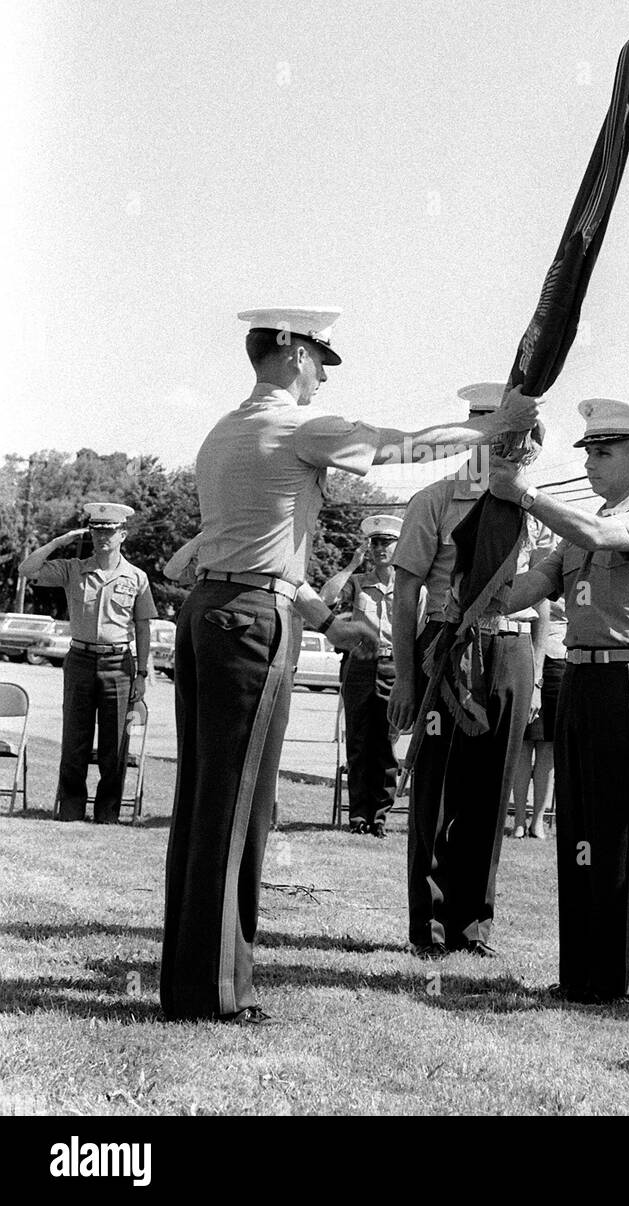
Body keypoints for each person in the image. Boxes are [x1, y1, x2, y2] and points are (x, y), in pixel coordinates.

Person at [160, 313, 541, 1022]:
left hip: (218, 608)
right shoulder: (296, 426)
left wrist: (330, 620)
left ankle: (198, 978)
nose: (324, 377)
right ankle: (212, 992)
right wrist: (492, 432)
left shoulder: (224, 430)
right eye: (320, 360)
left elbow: (248, 547)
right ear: (295, 352)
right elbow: (398, 446)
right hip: (247, 621)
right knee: (240, 805)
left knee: (211, 803)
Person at [489, 398, 629, 1003]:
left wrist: (525, 495)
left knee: (618, 826)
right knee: (577, 825)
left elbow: (598, 535)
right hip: (578, 676)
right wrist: (478, 582)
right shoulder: (581, 525)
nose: (593, 463)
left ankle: (612, 977)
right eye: (589, 452)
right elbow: (527, 587)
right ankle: (578, 972)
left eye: (603, 453)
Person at [388, 381, 551, 959]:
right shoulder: (435, 500)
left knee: (489, 795)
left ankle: (472, 927)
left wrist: (530, 676)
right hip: (447, 650)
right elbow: (404, 593)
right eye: (504, 435)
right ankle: (430, 927)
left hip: (509, 651)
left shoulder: (533, 503)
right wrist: (406, 678)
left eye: (523, 435)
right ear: (478, 436)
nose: (516, 447)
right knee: (435, 792)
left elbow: (542, 593)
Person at [19, 502, 157, 823]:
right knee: (75, 739)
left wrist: (142, 673)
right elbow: (27, 570)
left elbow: (143, 627)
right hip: (80, 659)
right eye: (96, 531)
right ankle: (70, 810)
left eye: (109, 532)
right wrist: (58, 542)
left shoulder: (137, 578)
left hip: (119, 664)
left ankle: (107, 814)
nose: (102, 538)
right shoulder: (73, 568)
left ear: (123, 535)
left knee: (116, 744)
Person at [321, 514, 403, 837]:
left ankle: (380, 816)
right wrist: (351, 566)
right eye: (376, 543)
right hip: (358, 665)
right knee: (357, 741)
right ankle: (358, 817)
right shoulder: (358, 583)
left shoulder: (410, 585)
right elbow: (326, 598)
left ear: (399, 546)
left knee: (386, 741)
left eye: (387, 542)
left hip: (392, 666)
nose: (381, 548)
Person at [511, 596, 564, 838]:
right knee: (523, 747)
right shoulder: (540, 569)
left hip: (560, 660)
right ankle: (519, 819)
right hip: (526, 654)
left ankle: (538, 820)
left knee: (547, 751)